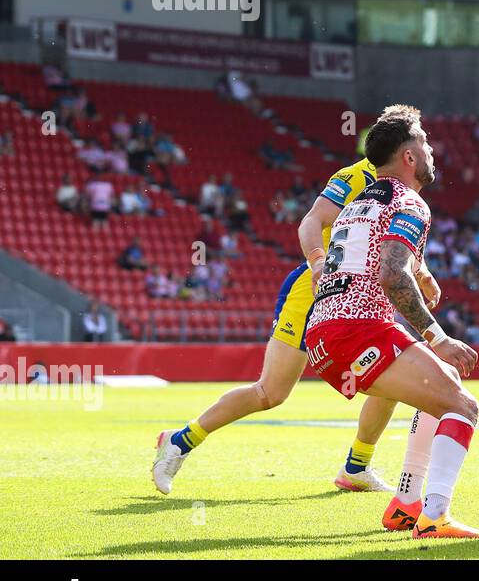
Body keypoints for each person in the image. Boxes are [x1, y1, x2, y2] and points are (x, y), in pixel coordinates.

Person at [151, 154, 406, 497]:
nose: (428, 150)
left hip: (365, 295)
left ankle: (356, 467)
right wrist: (318, 262)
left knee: (391, 377)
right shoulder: (358, 175)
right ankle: (179, 441)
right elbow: (310, 222)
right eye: (421, 141)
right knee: (270, 393)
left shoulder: (403, 188)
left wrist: (422, 273)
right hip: (315, 290)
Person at [304, 105, 479, 540]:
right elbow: (392, 272)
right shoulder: (410, 202)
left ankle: (406, 503)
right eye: (424, 142)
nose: (431, 149)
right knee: (463, 408)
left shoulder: (357, 205)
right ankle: (435, 517)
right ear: (408, 157)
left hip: (325, 333)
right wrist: (437, 336)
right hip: (357, 329)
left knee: (444, 386)